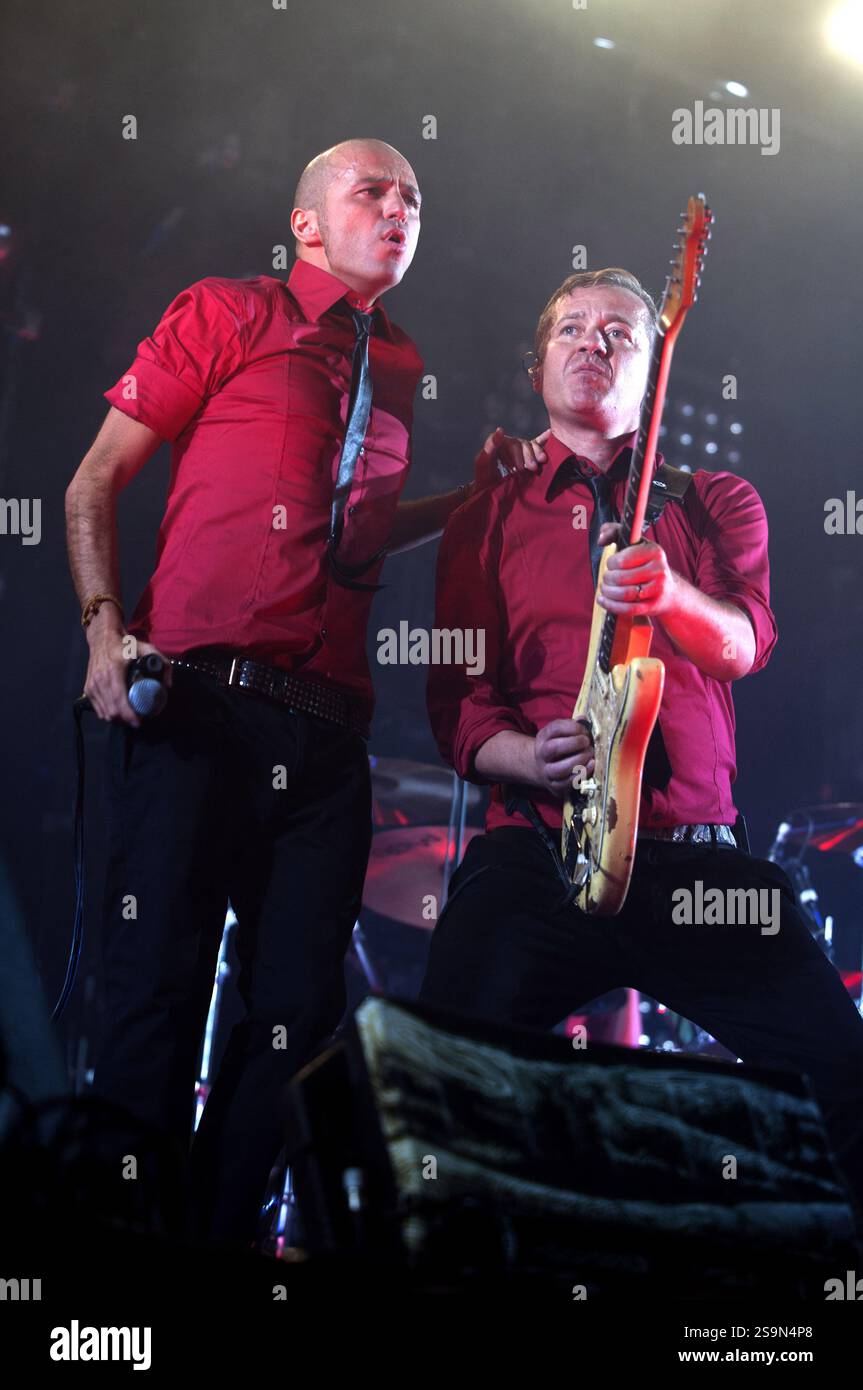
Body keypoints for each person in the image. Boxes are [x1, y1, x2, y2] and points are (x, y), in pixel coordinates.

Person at [64, 138, 544, 1248]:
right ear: (307, 225)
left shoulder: (402, 365)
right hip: (196, 705)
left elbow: (352, 535)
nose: (398, 208)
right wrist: (104, 637)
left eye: (414, 198)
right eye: (372, 190)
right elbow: (94, 479)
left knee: (296, 1016)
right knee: (156, 994)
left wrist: (464, 500)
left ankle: (219, 1240)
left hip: (327, 736)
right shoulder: (231, 310)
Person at [420, 267, 863, 1209]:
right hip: (535, 853)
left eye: (619, 331)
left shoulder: (715, 500)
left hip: (691, 861)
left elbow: (745, 643)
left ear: (655, 367)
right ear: (539, 360)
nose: (593, 343)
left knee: (846, 1078)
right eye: (571, 328)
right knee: (439, 1092)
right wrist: (525, 754)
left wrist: (667, 594)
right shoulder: (483, 517)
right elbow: (458, 706)